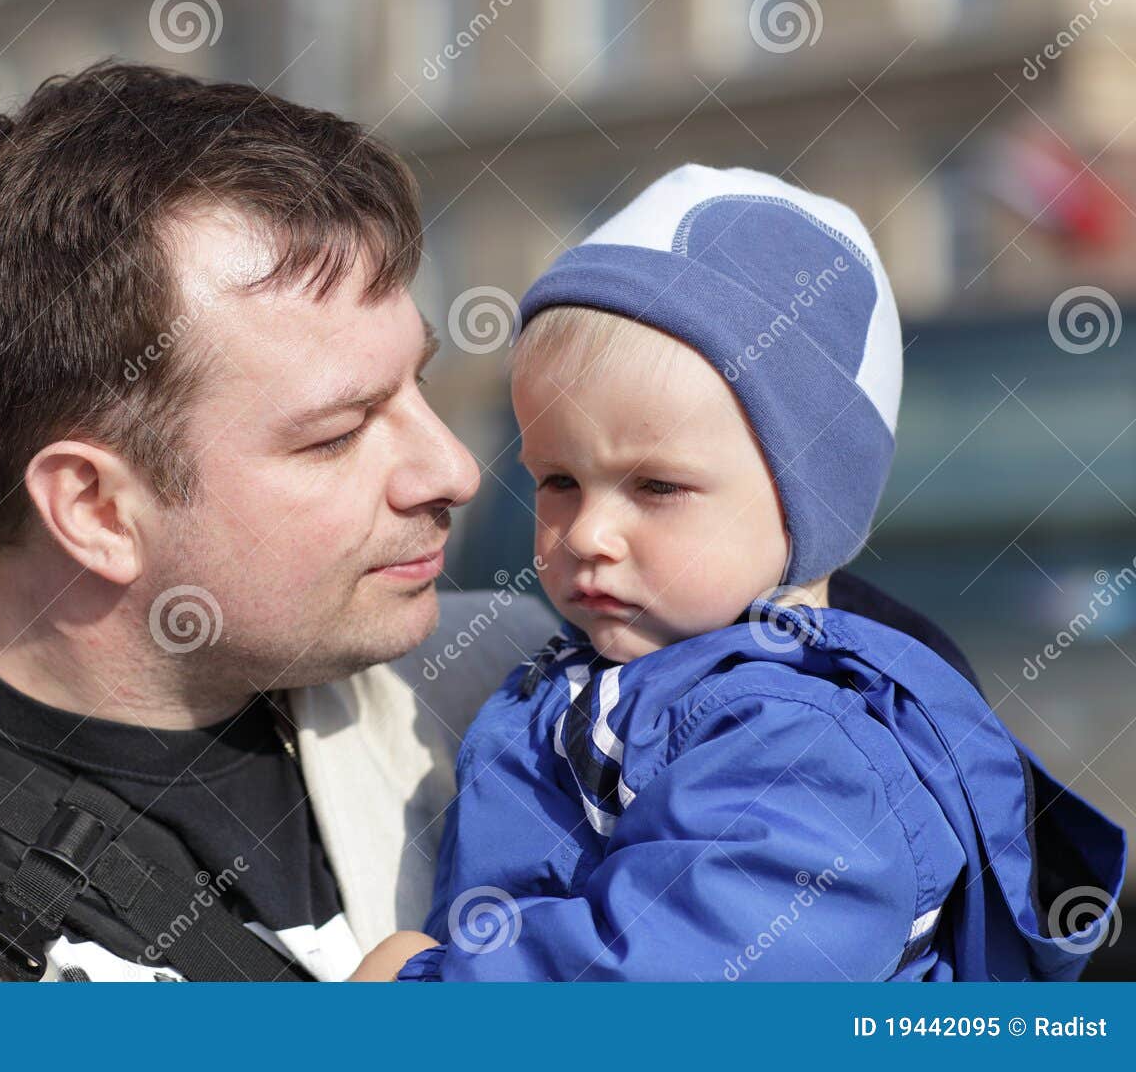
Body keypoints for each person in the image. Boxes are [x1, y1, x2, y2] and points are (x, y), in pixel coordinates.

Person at [0, 73, 1000, 982]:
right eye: (337, 432)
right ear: (92, 505)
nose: (452, 469)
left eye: (423, 389)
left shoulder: (526, 677)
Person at [357, 166, 1127, 982]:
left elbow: (676, 989)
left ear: (808, 505)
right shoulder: (637, 678)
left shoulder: (801, 745)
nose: (589, 532)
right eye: (557, 480)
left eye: (656, 487)